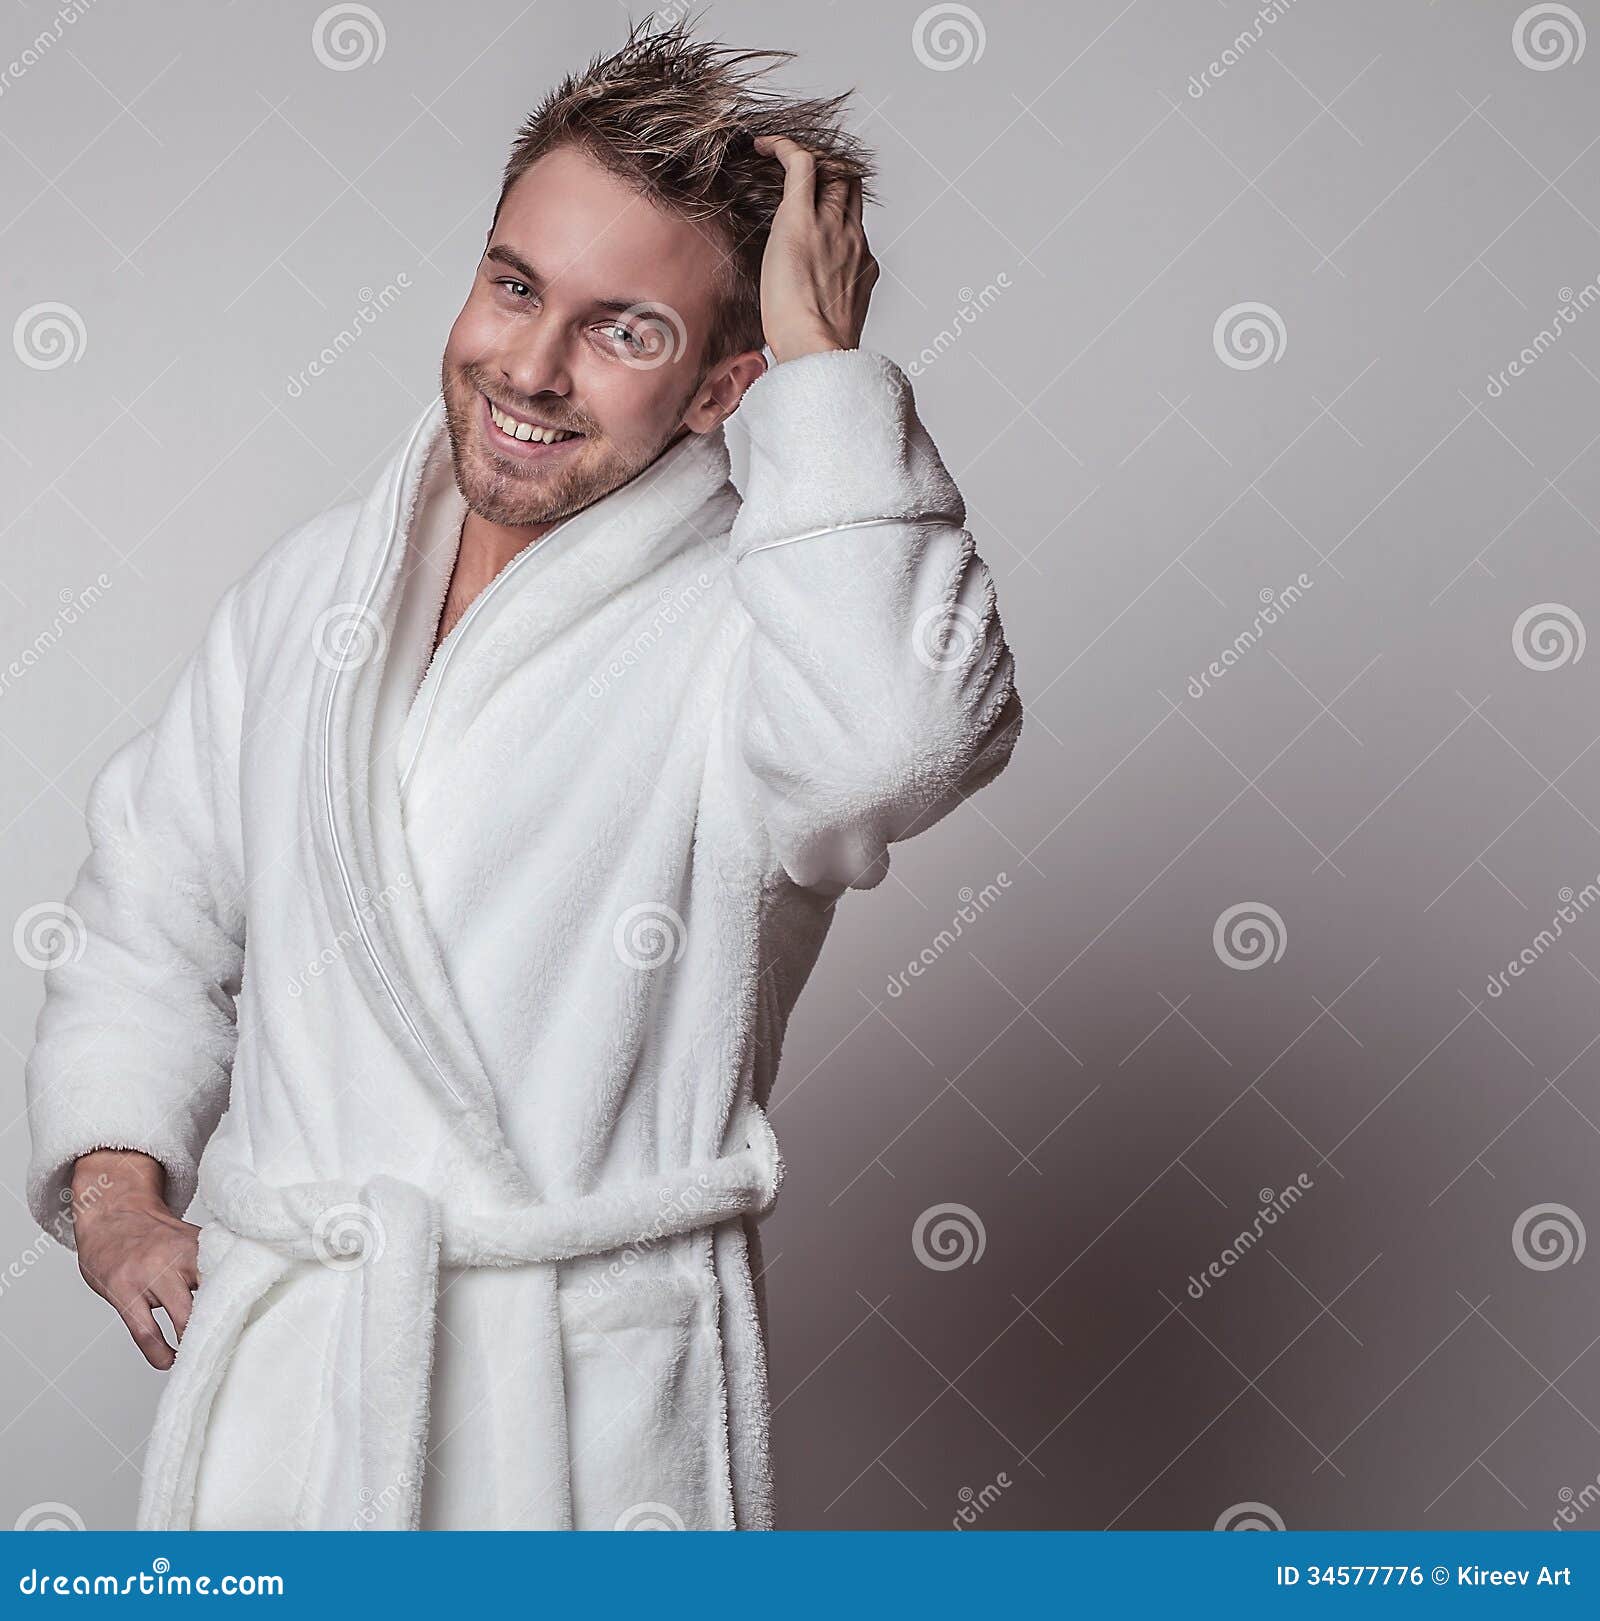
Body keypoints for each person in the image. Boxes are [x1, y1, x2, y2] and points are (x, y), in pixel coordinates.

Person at [23, 17, 1023, 1530]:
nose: (532, 368)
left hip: (581, 1421)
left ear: (721, 387)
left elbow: (895, 744)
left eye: (626, 330)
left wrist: (829, 376)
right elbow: (148, 912)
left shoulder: (760, 631)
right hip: (294, 1410)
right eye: (514, 285)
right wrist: (114, 1195)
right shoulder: (314, 594)